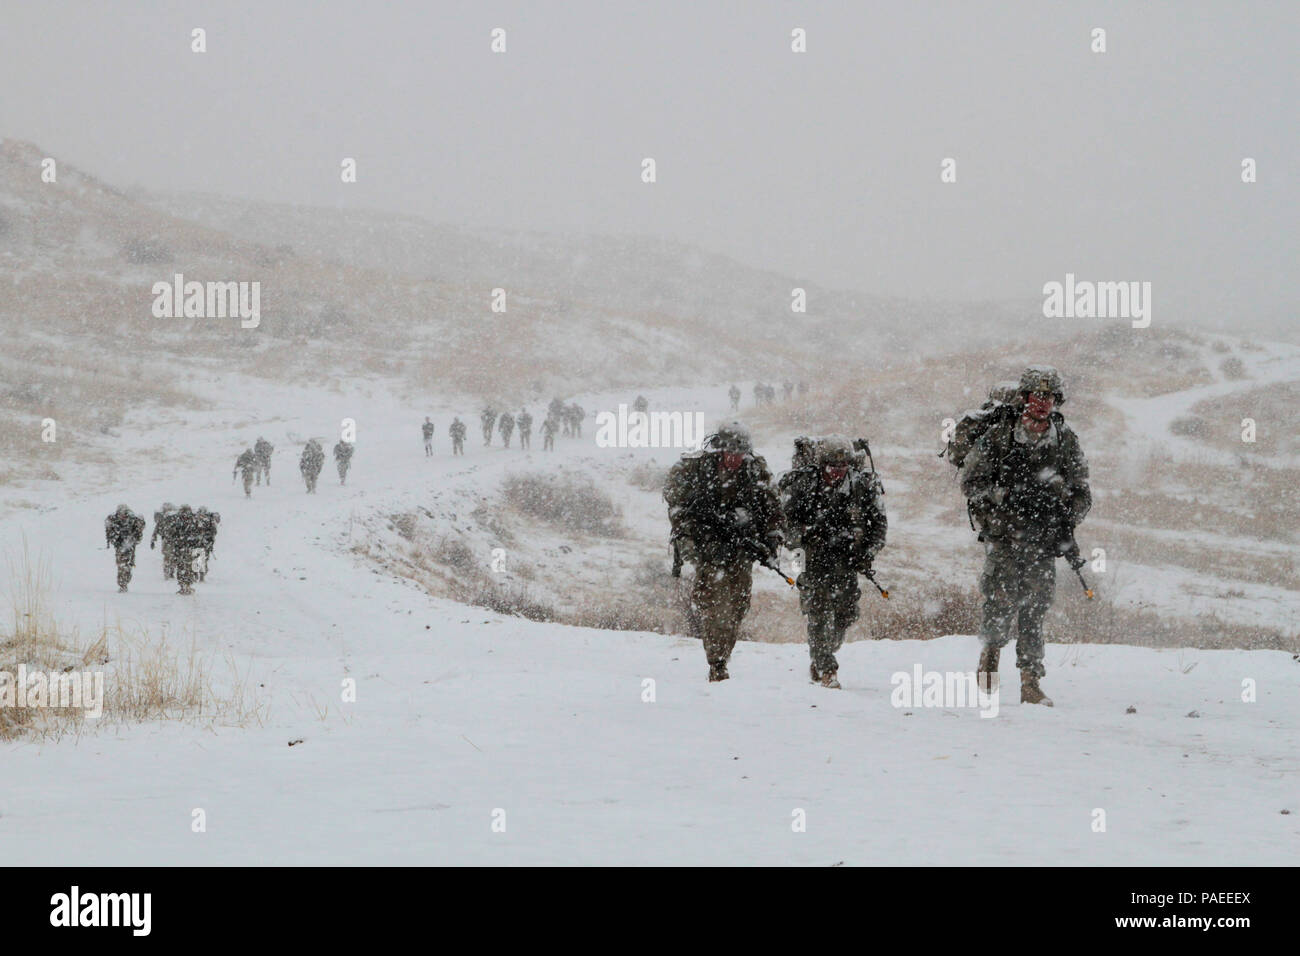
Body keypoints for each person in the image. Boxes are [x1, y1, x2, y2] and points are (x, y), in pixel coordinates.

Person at [961, 366, 1091, 706]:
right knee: (1000, 601)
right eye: (1037, 395)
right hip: (1004, 535)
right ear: (1025, 398)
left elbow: (1082, 492)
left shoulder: (1065, 440)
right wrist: (1007, 496)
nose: (1043, 403)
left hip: (1041, 538)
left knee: (1034, 610)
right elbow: (970, 483)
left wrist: (1063, 517)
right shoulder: (1001, 435)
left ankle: (1030, 681)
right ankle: (990, 655)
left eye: (1049, 397)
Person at [663, 421, 783, 682]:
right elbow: (678, 510)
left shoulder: (755, 469)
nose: (735, 459)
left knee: (738, 607)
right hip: (707, 548)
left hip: (741, 548)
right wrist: (691, 545)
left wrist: (770, 543)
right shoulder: (696, 469)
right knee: (716, 608)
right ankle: (717, 665)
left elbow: (773, 508)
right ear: (719, 450)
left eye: (739, 454)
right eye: (730, 453)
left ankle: (722, 656)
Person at [779, 438, 887, 688]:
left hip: (845, 559)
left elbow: (878, 524)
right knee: (817, 612)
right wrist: (805, 534)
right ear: (821, 464)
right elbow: (784, 522)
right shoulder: (803, 484)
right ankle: (827, 667)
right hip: (808, 556)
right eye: (832, 465)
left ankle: (822, 653)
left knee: (846, 614)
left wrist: (867, 552)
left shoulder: (861, 485)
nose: (837, 471)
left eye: (843, 466)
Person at [104, 504, 146, 593]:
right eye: (120, 513)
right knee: (121, 565)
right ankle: (122, 584)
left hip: (130, 545)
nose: (122, 515)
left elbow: (139, 530)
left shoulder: (132, 520)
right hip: (120, 546)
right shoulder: (114, 520)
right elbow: (110, 532)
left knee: (128, 565)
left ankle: (125, 581)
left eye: (123, 513)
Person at [150, 502, 178, 579]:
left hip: (173, 540)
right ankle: (167, 572)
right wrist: (153, 540)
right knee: (168, 557)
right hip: (167, 540)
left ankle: (170, 572)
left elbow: (156, 529)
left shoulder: (175, 519)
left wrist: (153, 539)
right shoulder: (163, 519)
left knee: (172, 557)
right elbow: (156, 529)